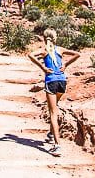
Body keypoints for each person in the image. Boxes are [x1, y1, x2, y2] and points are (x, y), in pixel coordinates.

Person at [27, 29, 80, 157]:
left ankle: (57, 145)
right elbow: (77, 54)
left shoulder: (44, 50)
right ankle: (51, 134)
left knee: (53, 113)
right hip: (62, 81)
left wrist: (43, 68)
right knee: (54, 107)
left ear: (44, 38)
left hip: (51, 81)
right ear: (55, 38)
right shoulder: (60, 49)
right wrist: (66, 64)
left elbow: (30, 55)